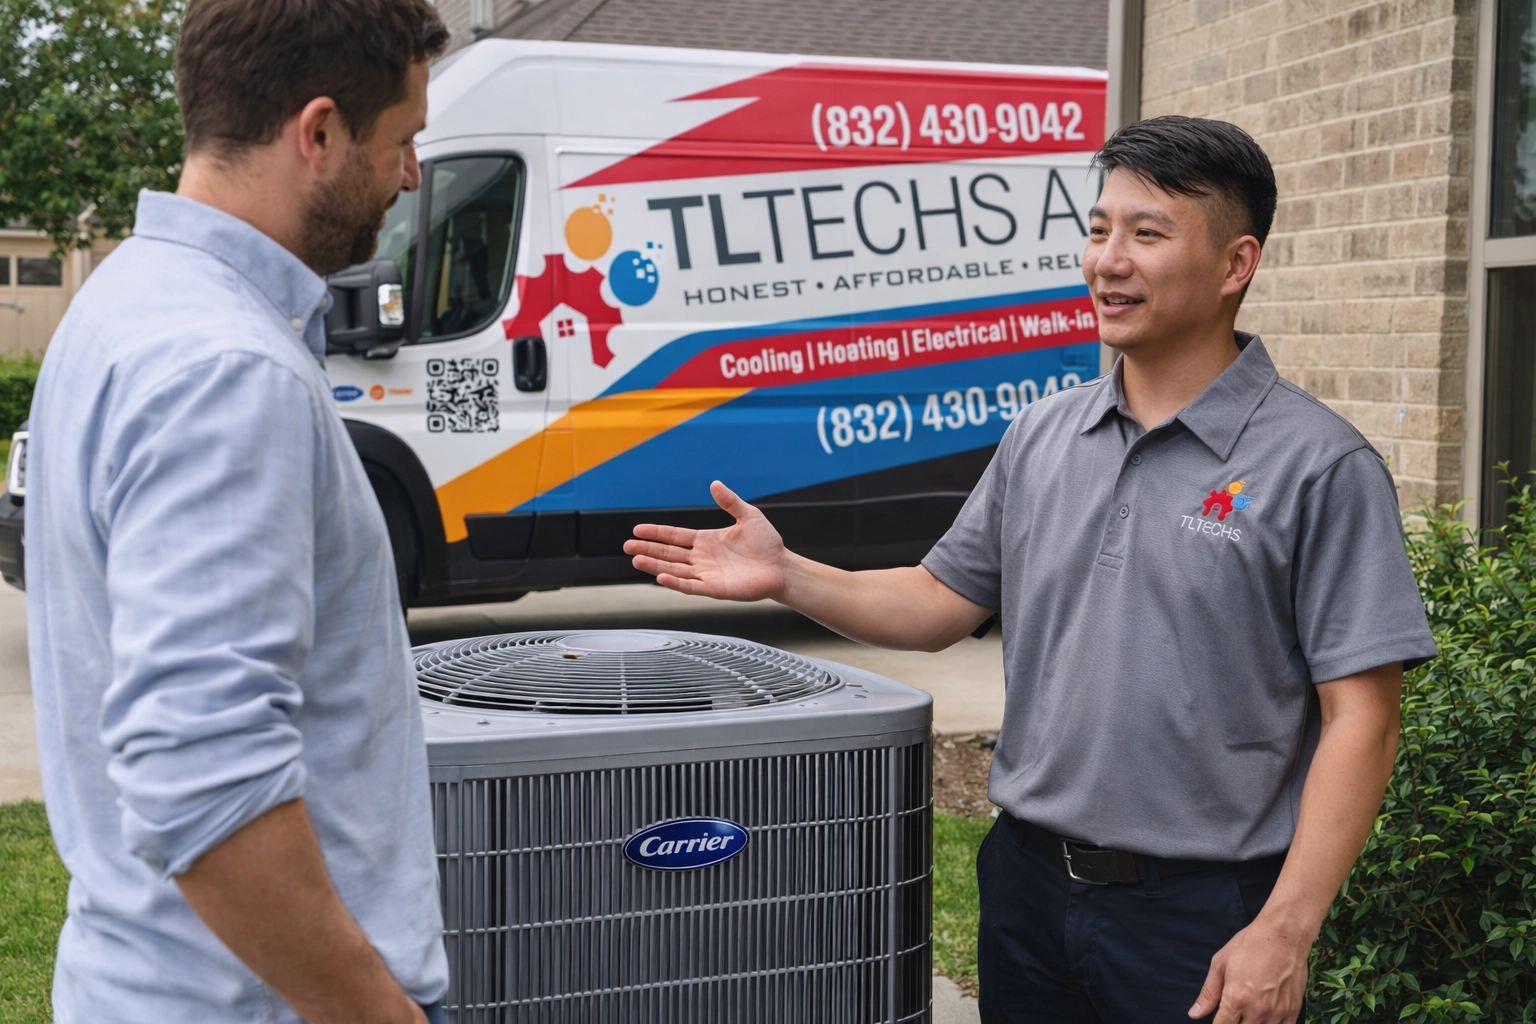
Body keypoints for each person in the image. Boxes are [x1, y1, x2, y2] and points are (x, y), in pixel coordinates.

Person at [626, 116, 1436, 1023]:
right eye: (1098, 229)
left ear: (1235, 264)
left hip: (1204, 918)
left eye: (1147, 233)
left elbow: (1361, 716)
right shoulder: (1043, 435)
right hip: (1028, 890)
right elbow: (939, 601)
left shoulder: (1319, 465)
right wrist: (787, 575)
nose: (1108, 260)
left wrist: (1286, 928)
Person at [25, 2, 450, 1022]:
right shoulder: (226, 366)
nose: (411, 178)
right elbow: (202, 771)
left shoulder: (128, 300)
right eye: (403, 141)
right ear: (317, 132)